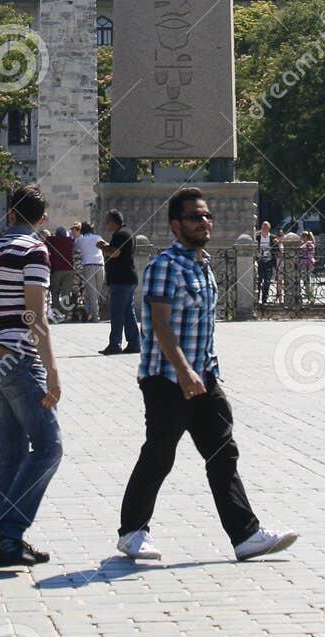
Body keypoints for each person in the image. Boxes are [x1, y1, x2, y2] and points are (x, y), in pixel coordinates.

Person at [116, 188, 298, 564]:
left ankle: (245, 535)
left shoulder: (203, 264)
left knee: (223, 452)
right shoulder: (165, 265)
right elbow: (160, 325)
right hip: (166, 378)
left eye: (207, 216)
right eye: (195, 217)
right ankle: (132, 532)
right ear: (175, 225)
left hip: (204, 376)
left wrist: (205, 370)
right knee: (160, 454)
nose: (204, 222)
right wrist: (183, 370)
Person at [0, 183, 62, 569]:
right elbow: (35, 314)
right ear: (42, 219)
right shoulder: (34, 250)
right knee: (48, 447)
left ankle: (5, 544)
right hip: (20, 358)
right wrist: (52, 371)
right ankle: (8, 531)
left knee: (11, 457)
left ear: (10, 213)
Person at [100, 210, 140, 355]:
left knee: (117, 312)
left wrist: (102, 247)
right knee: (128, 312)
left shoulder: (120, 234)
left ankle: (115, 344)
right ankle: (134, 343)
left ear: (113, 221)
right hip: (128, 279)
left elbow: (114, 252)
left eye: (107, 221)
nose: (106, 224)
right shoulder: (127, 232)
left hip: (121, 280)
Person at [74, 221, 106, 322]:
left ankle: (86, 309)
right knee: (96, 292)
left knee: (92, 293)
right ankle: (95, 317)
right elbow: (106, 246)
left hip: (88, 266)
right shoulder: (98, 237)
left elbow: (75, 249)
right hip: (100, 266)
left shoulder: (79, 240)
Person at [46, 226, 75, 319]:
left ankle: (57, 314)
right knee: (66, 293)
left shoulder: (52, 240)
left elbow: (46, 239)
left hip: (57, 270)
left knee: (55, 293)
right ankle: (66, 315)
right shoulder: (69, 241)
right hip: (69, 269)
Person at [257, 220, 275, 306]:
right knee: (258, 280)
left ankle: (264, 299)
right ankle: (256, 299)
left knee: (267, 281)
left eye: (266, 226)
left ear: (269, 228)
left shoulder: (272, 238)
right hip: (259, 261)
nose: (264, 228)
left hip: (269, 261)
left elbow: (277, 250)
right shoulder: (257, 237)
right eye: (263, 226)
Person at [300, 229, 316, 303]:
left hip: (308, 264)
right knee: (305, 281)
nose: (303, 238)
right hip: (303, 264)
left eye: (305, 236)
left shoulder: (309, 244)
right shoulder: (304, 243)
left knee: (308, 281)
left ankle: (310, 297)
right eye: (303, 236)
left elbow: (303, 249)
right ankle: (308, 295)